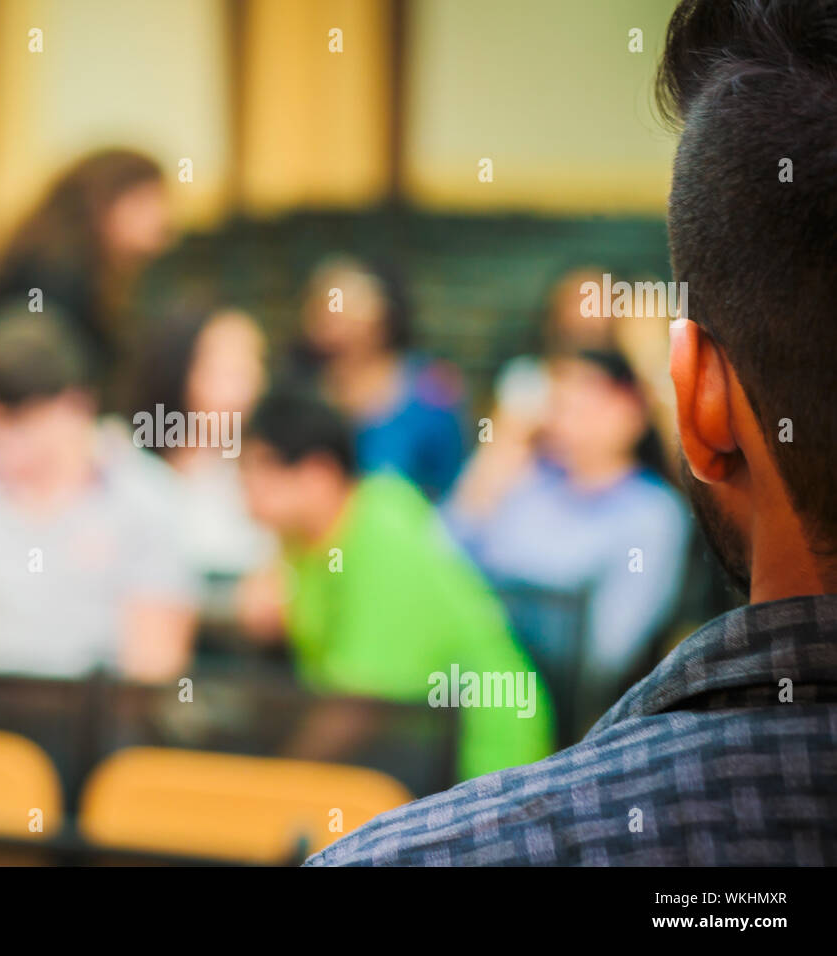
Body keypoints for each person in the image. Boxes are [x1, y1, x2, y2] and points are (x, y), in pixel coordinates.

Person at [308, 0, 837, 865]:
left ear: (685, 404)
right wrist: (500, 460)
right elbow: (426, 575)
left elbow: (599, 662)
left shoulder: (644, 518)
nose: (570, 403)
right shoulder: (515, 484)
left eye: (597, 390)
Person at [237, 386, 554, 781]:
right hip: (405, 747)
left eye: (261, 468)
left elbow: (358, 702)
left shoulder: (381, 528)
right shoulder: (301, 537)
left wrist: (273, 779)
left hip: (478, 761)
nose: (246, 486)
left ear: (319, 473)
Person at [0, 310, 198, 681]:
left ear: (75, 406)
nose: (0, 445)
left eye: (18, 425)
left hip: (104, 725)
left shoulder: (150, 500)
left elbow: (154, 665)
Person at [443, 350, 691, 735]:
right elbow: (437, 560)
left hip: (564, 716)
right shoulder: (524, 482)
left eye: (586, 398)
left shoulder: (653, 513)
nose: (566, 413)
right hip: (460, 689)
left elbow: (608, 653)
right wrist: (498, 452)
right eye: (558, 400)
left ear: (631, 409)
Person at [0, 149, 171, 489]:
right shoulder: (56, 279)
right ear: (105, 204)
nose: (161, 219)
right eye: (147, 202)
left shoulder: (54, 263)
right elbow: (38, 386)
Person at [128, 306, 277, 627]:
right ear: (180, 371)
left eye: (255, 364)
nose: (249, 384)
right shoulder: (126, 467)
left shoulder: (273, 479)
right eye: (227, 371)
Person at [287, 256, 466, 500]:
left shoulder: (432, 387)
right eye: (321, 305)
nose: (331, 318)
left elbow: (453, 484)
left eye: (345, 305)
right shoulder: (301, 392)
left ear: (382, 315)